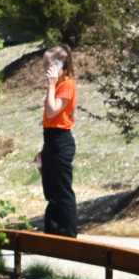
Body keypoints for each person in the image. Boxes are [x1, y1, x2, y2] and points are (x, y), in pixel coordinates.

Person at [38, 46, 79, 237]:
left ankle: (67, 234)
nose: (44, 68)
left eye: (48, 64)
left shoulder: (67, 85)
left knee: (62, 191)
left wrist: (52, 84)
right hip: (51, 139)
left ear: (58, 64)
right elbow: (48, 117)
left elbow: (53, 110)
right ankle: (52, 232)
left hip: (62, 141)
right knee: (51, 190)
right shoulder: (55, 85)